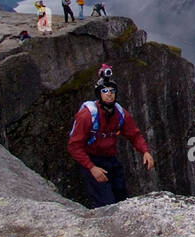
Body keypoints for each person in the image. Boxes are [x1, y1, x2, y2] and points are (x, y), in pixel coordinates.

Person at [66, 77, 155, 207]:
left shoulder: (119, 113)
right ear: (99, 94)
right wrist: (91, 167)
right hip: (92, 160)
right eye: (105, 90)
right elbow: (74, 146)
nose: (109, 94)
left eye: (112, 91)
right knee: (105, 203)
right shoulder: (87, 116)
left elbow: (134, 134)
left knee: (121, 198)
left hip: (110, 159)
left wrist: (145, 151)